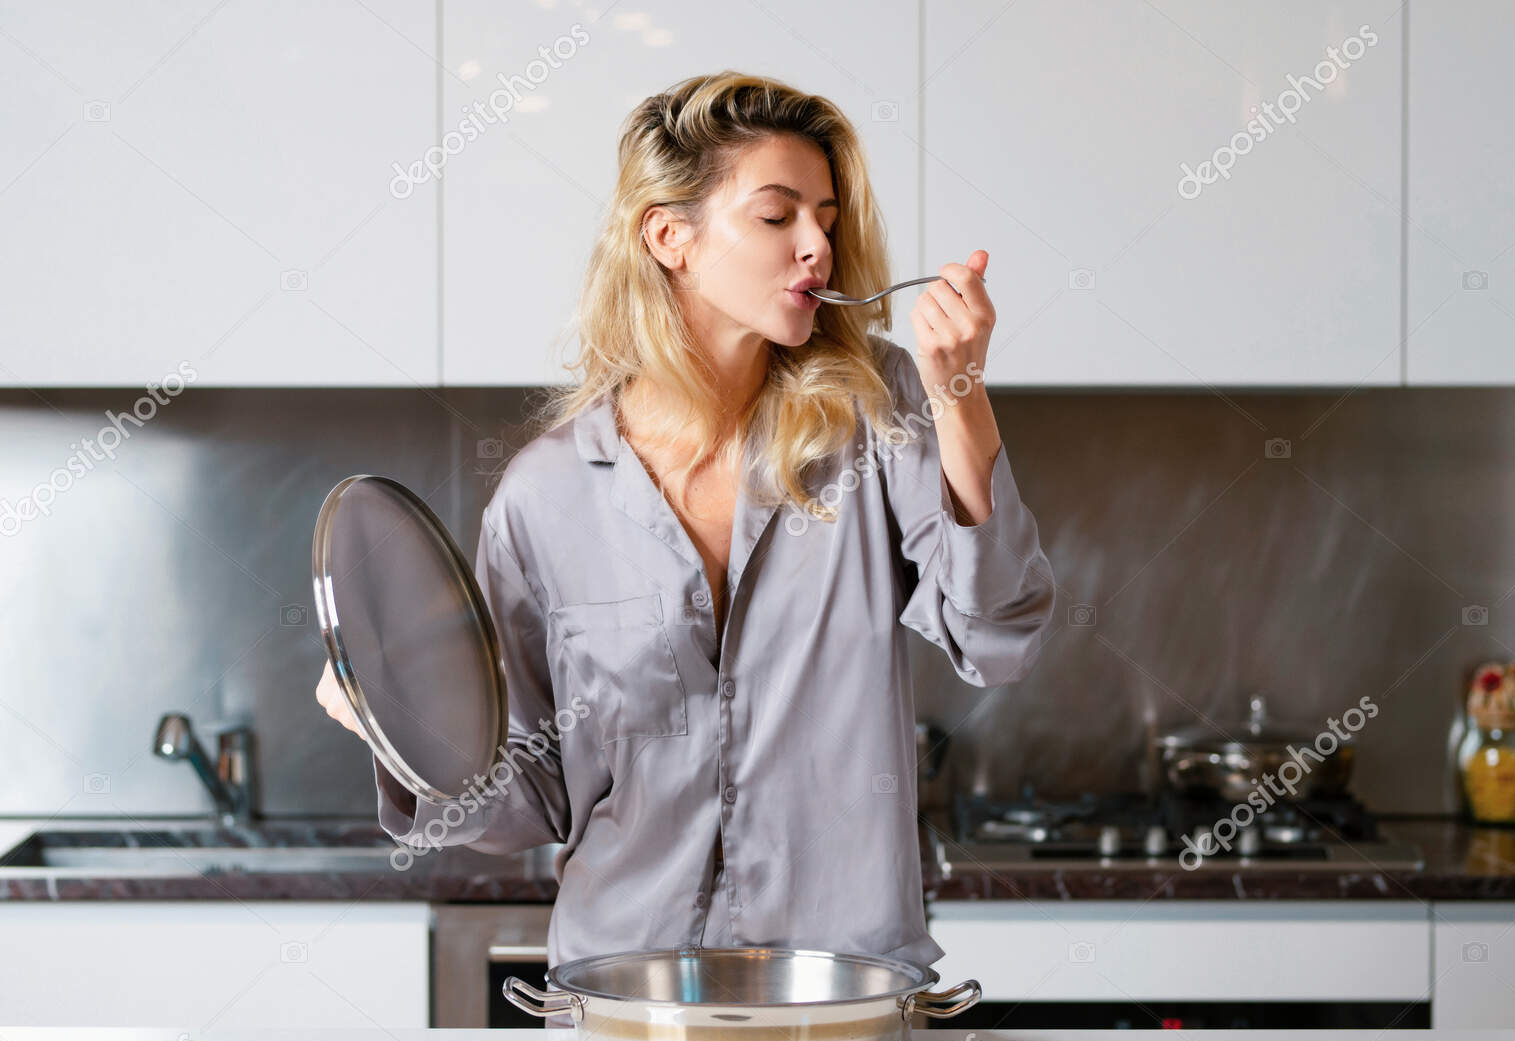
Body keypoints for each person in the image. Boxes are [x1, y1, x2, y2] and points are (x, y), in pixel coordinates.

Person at [316, 71, 1054, 993]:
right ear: (670, 237)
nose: (819, 245)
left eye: (826, 216)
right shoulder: (547, 495)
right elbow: (533, 793)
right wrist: (396, 722)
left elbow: (1001, 635)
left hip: (841, 998)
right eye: (778, 216)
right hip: (624, 1002)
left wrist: (961, 394)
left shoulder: (878, 408)